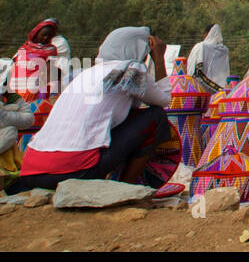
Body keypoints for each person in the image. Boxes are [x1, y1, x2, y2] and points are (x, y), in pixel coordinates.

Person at [7, 27, 172, 194]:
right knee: (155, 116)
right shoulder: (132, 69)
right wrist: (158, 59)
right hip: (73, 171)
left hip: (31, 172)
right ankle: (125, 189)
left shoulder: (86, 73)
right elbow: (164, 100)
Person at [12, 19, 60, 101]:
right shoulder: (25, 47)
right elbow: (13, 64)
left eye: (49, 36)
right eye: (43, 35)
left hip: (32, 90)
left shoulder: (50, 51)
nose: (46, 38)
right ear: (36, 33)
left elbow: (50, 72)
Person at [188, 23, 231, 87]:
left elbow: (192, 68)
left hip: (200, 88)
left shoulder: (201, 46)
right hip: (221, 90)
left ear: (208, 34)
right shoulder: (224, 50)